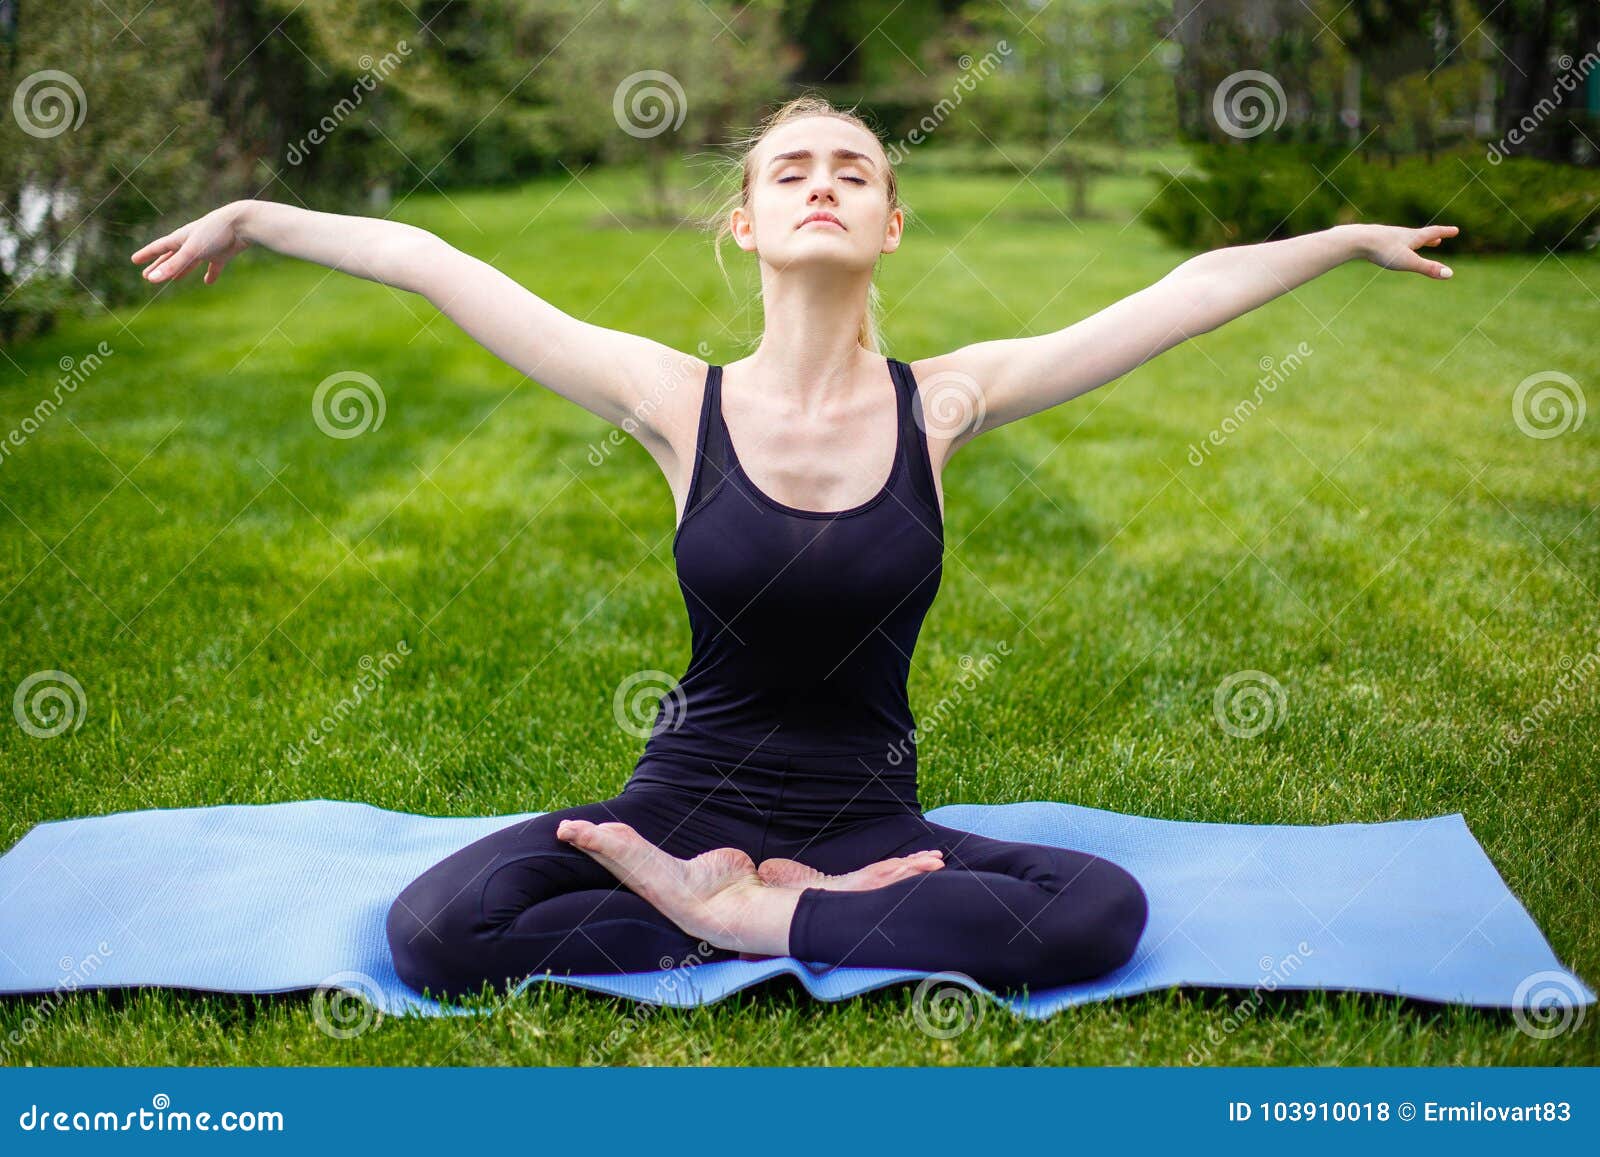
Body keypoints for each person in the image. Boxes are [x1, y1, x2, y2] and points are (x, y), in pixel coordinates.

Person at [132, 95, 1456, 1002]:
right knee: (433, 930)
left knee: (1099, 909)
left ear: (888, 224)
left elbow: (1183, 296)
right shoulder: (672, 399)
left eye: (856, 171)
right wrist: (256, 215)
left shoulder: (946, 400)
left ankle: (744, 921)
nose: (824, 182)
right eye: (791, 171)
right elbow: (433, 259)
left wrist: (1342, 239)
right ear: (747, 226)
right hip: (681, 804)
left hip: (867, 812)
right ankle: (729, 896)